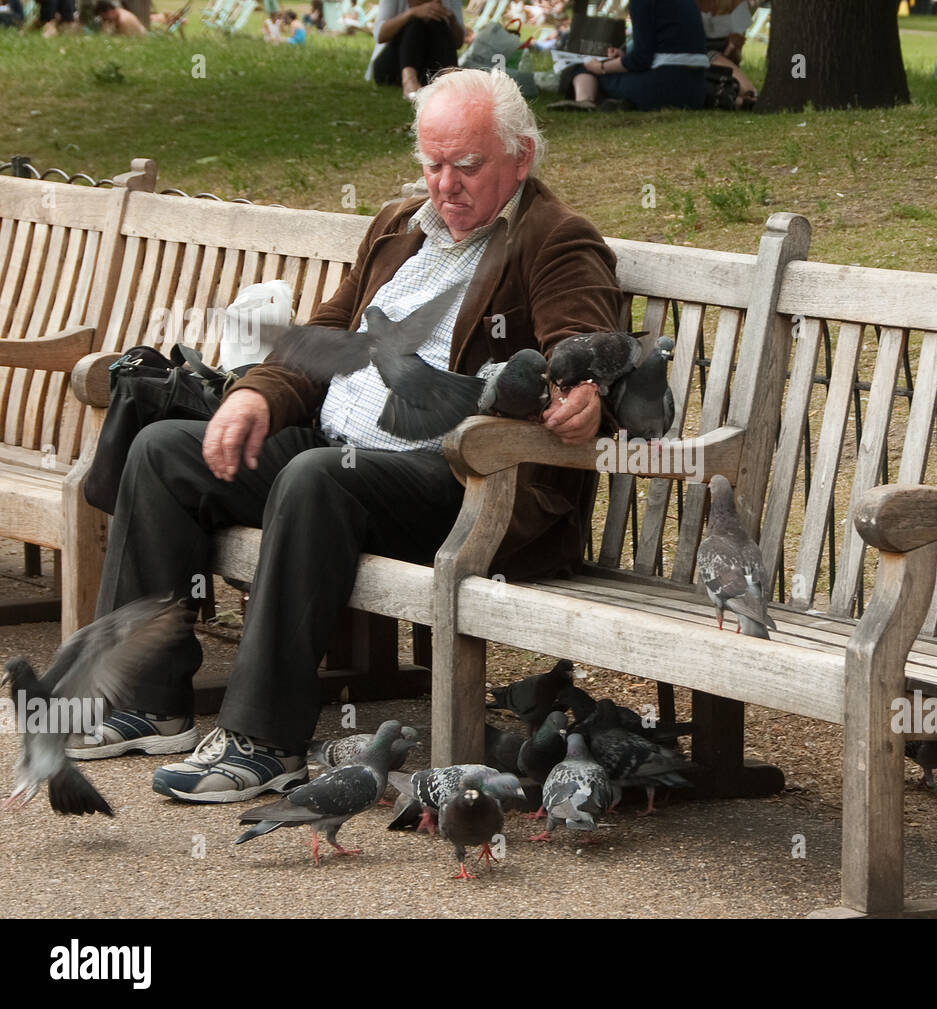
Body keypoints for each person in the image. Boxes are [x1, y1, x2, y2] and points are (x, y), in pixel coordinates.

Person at [68, 69, 626, 804]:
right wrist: (255, 397)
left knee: (317, 477)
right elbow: (325, 336)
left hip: (462, 485)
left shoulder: (553, 238)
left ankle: (264, 743)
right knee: (166, 449)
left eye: (466, 166)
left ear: (521, 158)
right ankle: (147, 698)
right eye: (431, 164)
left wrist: (586, 398)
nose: (444, 185)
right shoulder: (398, 227)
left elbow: (583, 347)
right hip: (344, 455)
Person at [552, 0, 709, 111]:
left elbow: (641, 60)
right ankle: (615, 101)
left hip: (663, 88)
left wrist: (601, 67)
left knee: (584, 66)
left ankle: (585, 101)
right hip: (695, 89)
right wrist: (623, 57)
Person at [366, 0, 465, 98]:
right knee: (416, 23)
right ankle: (409, 80)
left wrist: (449, 17)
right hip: (393, 66)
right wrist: (412, 12)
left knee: (437, 21)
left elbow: (459, 43)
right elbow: (380, 35)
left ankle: (449, 78)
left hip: (429, 68)